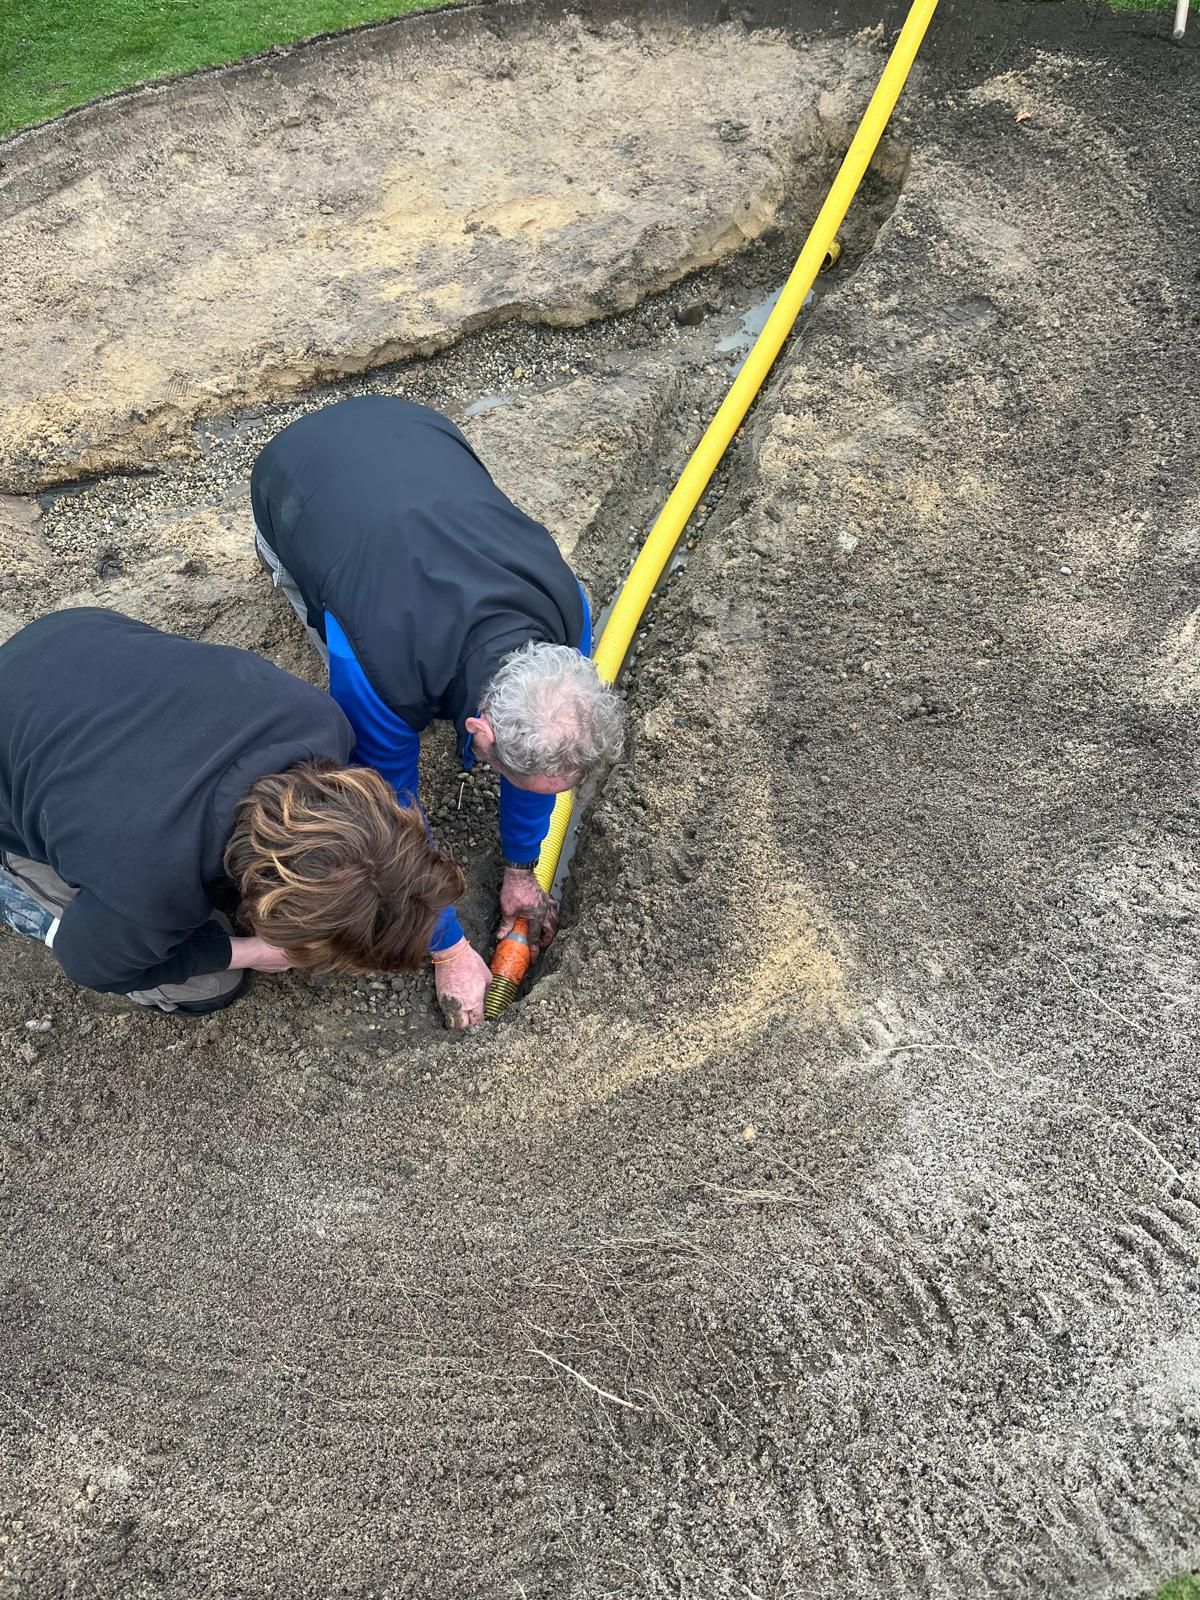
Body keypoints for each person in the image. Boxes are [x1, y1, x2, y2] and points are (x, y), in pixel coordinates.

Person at [250, 395, 624, 1030]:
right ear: (478, 731)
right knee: (327, 621)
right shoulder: (381, 667)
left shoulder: (569, 620)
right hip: (291, 475)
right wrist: (448, 946)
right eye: (506, 771)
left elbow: (543, 756)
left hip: (415, 427)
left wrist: (521, 867)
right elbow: (390, 811)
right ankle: (275, 551)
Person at [0, 609, 464, 1013]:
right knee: (211, 986)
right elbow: (91, 966)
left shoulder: (321, 722)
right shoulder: (150, 887)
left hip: (73, 639)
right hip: (16, 754)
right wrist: (250, 952)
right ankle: (15, 887)